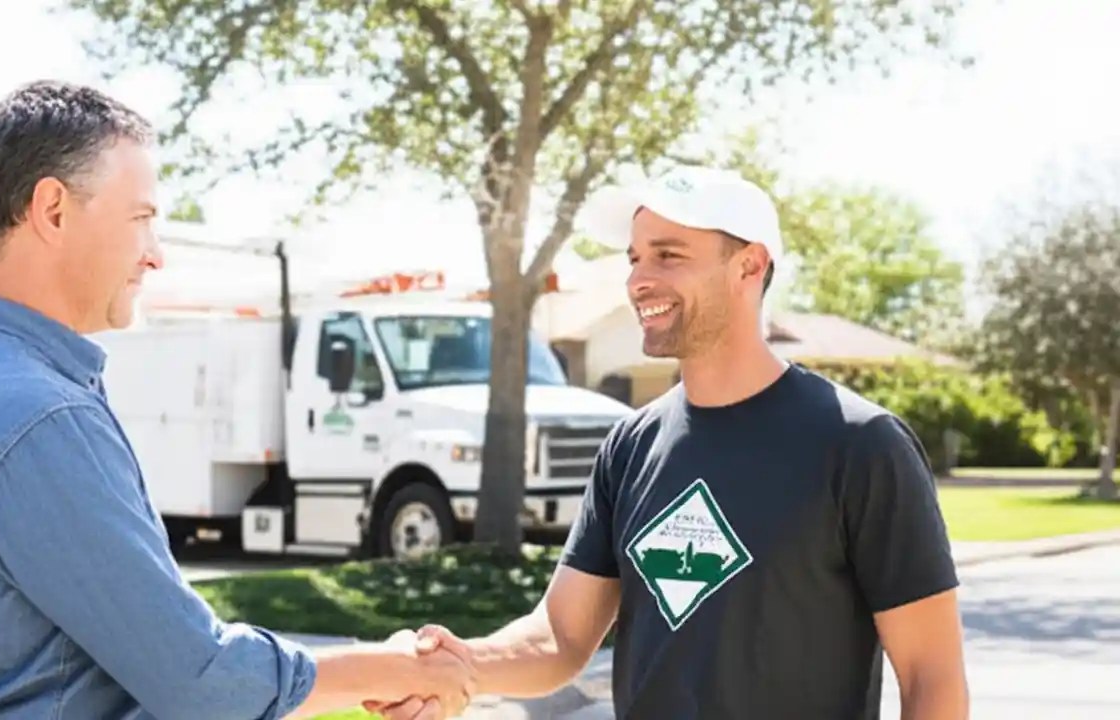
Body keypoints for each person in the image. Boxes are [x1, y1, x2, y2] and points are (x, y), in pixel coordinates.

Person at [0, 80, 473, 720]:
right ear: (52, 210)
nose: (155, 256)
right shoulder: (33, 414)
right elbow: (200, 683)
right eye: (141, 219)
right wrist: (388, 671)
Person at [372, 167, 969, 719]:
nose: (637, 280)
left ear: (749, 266)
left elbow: (930, 678)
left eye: (668, 256)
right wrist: (459, 666)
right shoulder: (631, 446)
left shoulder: (860, 445)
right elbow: (562, 637)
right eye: (634, 258)